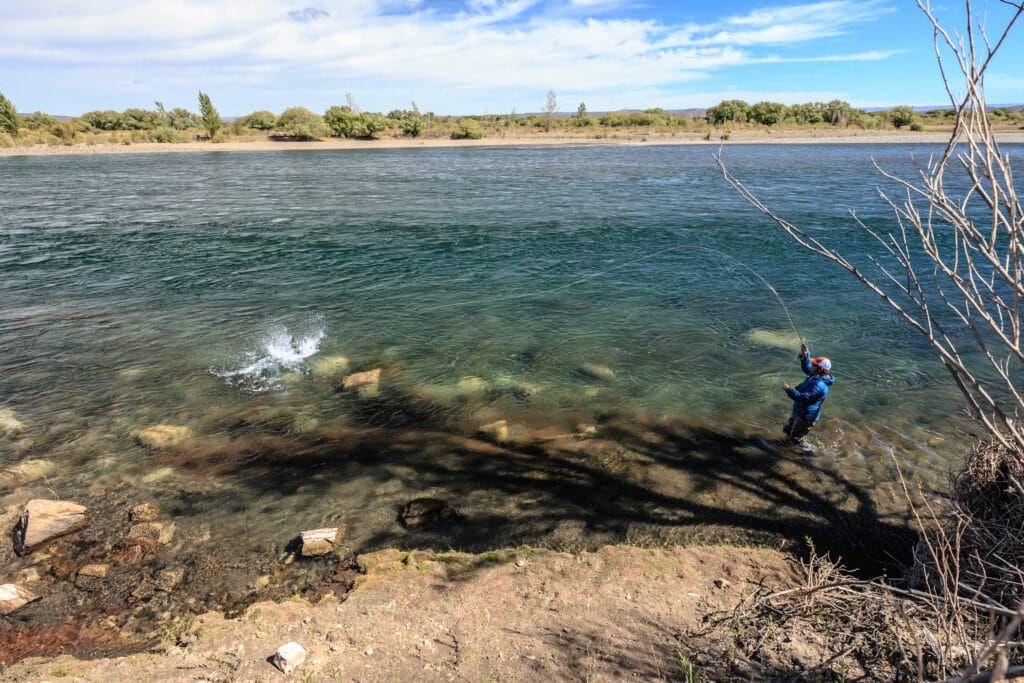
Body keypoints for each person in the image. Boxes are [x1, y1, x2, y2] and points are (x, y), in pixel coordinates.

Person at [782, 343, 835, 443]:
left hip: (805, 417)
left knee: (795, 439)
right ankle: (788, 444)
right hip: (800, 411)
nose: (811, 367)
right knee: (787, 430)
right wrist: (806, 354)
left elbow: (804, 398)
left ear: (820, 369)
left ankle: (807, 451)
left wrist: (788, 390)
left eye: (814, 365)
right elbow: (807, 367)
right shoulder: (817, 374)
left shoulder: (819, 385)